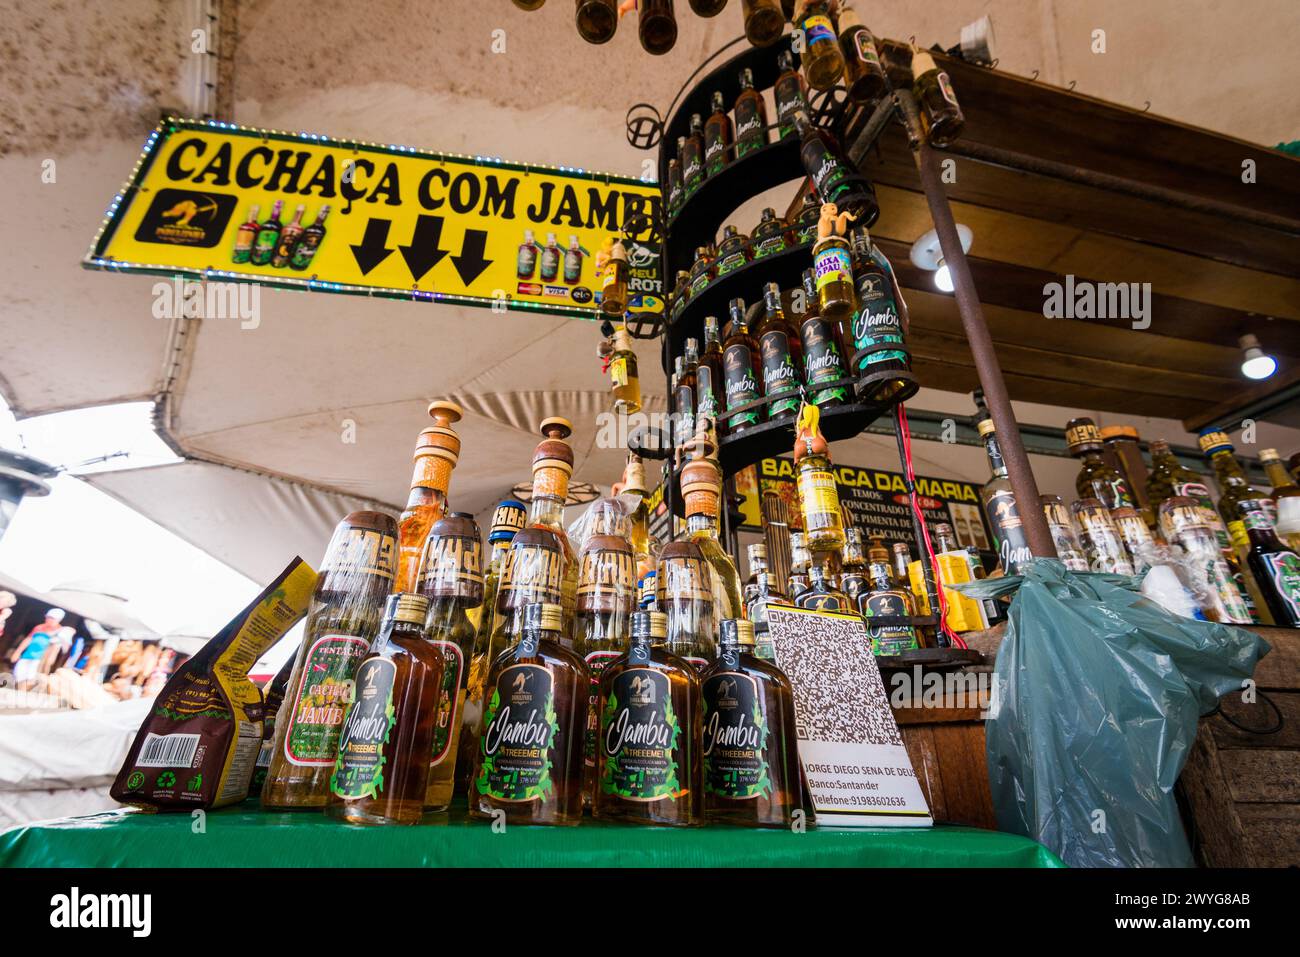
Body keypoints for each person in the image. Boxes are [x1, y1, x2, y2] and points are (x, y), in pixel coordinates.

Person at [8, 608, 65, 690]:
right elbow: (28, 639)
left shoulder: (60, 632)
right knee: (18, 675)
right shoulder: (39, 628)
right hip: (27, 655)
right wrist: (17, 652)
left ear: (58, 620)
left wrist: (49, 660)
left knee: (31, 678)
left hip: (40, 659)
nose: (49, 620)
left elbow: (58, 648)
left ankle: (23, 693)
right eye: (48, 617)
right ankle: (17, 692)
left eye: (52, 618)